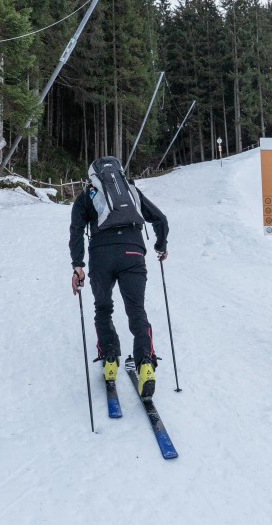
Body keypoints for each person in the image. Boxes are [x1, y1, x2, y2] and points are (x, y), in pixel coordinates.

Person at [69, 156, 169, 397]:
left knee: (103, 308)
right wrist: (160, 245)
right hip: (133, 252)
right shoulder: (130, 191)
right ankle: (145, 363)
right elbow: (161, 219)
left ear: (92, 176)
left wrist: (78, 266)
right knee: (136, 310)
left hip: (101, 257)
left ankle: (110, 358)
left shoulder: (87, 195)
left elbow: (76, 230)